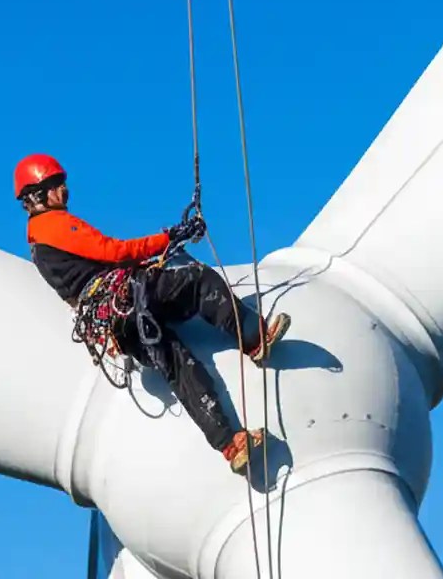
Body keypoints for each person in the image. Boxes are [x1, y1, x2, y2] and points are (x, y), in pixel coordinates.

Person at [15, 153, 291, 473]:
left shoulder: (37, 247)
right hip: (130, 297)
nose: (64, 191)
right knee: (198, 281)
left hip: (117, 322)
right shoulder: (51, 224)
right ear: (37, 193)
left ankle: (230, 444)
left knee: (180, 366)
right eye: (56, 185)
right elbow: (113, 251)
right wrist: (169, 238)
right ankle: (255, 339)